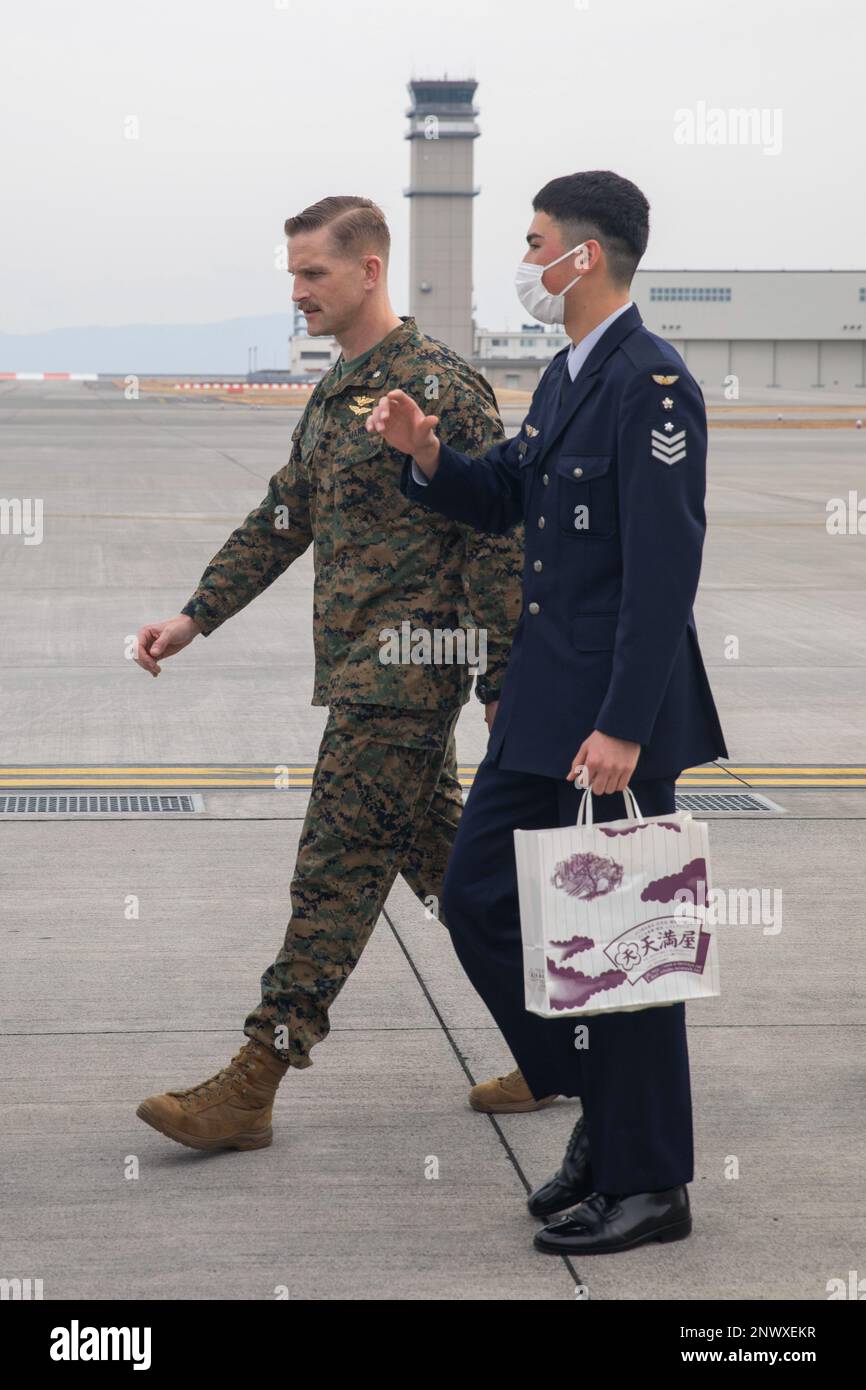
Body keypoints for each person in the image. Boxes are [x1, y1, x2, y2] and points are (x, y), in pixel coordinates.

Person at [366, 170, 729, 1255]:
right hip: (543, 703)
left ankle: (650, 1182)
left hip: (610, 720)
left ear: (583, 256)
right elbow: (505, 494)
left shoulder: (649, 383)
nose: (525, 266)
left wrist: (622, 722)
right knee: (475, 895)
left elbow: (662, 573)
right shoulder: (569, 374)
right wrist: (424, 452)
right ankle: (601, 1116)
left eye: (533, 247)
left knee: (626, 939)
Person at [133, 195, 538, 1153]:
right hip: (361, 668)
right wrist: (197, 615)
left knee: (333, 869)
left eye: (313, 273)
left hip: (409, 672)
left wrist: (502, 685)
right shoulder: (337, 390)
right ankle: (568, 1037)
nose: (297, 292)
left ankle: (256, 1079)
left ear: (368, 270)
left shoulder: (442, 386)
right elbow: (286, 515)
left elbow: (495, 539)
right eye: (292, 274)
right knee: (452, 872)